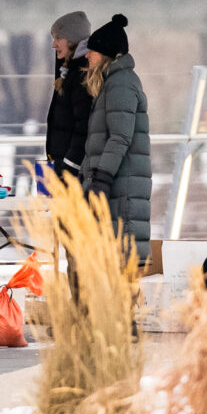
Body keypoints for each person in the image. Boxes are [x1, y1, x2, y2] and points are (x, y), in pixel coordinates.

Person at [81, 14, 152, 258]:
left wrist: (101, 179)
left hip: (121, 188)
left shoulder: (120, 83)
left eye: (92, 50)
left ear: (106, 53)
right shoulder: (113, 82)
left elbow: (120, 136)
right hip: (118, 186)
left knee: (120, 263)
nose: (87, 55)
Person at [44, 11, 95, 188]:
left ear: (72, 40)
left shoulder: (81, 74)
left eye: (58, 38)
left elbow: (84, 125)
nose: (53, 44)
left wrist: (69, 165)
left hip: (70, 173)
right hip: (61, 167)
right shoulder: (68, 71)